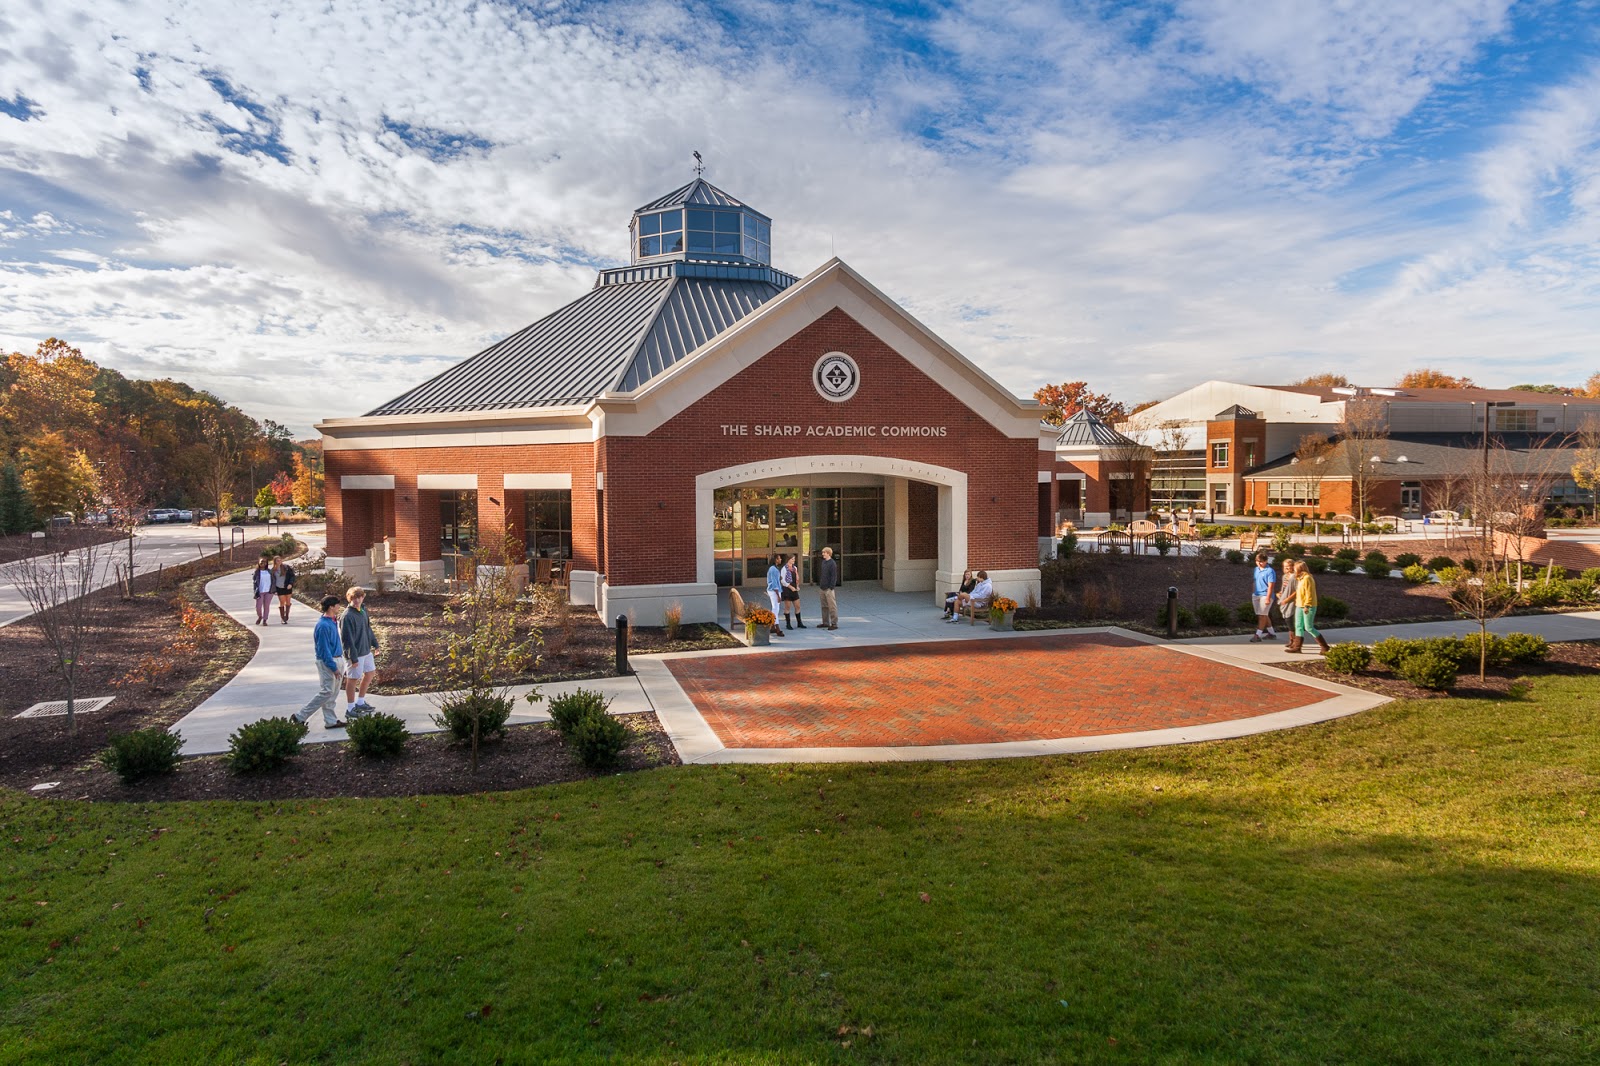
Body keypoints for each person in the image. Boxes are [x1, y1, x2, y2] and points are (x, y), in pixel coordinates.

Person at [291, 595, 346, 729]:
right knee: (327, 691)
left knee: (332, 693)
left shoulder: (333, 621)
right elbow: (324, 649)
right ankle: (300, 716)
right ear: (331, 607)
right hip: (328, 662)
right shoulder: (322, 625)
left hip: (338, 658)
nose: (339, 607)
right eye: (337, 605)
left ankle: (331, 720)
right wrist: (333, 667)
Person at [339, 585, 380, 717]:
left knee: (370, 673)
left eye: (359, 597)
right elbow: (347, 639)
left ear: (362, 597)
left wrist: (375, 644)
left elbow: (368, 629)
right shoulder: (347, 616)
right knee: (352, 679)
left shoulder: (362, 610)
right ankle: (350, 709)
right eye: (353, 598)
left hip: (366, 651)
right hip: (355, 654)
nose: (356, 600)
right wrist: (353, 658)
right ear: (349, 599)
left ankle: (360, 702)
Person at [1294, 559, 1330, 654]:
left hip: (1308, 606)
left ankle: (1324, 646)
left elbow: (1309, 593)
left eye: (1295, 569)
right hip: (1299, 605)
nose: (1294, 571)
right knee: (1298, 626)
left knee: (1309, 627)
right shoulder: (1300, 579)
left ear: (1300, 569)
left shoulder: (1307, 578)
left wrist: (1307, 605)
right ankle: (1297, 647)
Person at [1249, 551, 1277, 643]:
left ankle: (1257, 635)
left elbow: (1271, 586)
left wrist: (1268, 598)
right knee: (1263, 615)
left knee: (1262, 615)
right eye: (1257, 561)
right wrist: (1253, 592)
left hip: (1265, 595)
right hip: (1256, 595)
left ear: (1266, 561)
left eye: (1261, 561)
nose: (1259, 563)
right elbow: (1255, 581)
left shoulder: (1270, 571)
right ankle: (1271, 633)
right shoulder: (1256, 569)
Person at [1277, 557, 1300, 652]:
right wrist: (1280, 594)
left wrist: (1287, 599)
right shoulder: (1284, 577)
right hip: (1284, 600)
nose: (1287, 569)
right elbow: (1284, 588)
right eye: (1285, 567)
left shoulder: (1295, 577)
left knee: (1290, 619)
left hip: (1292, 601)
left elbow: (1297, 591)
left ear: (1292, 567)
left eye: (1288, 567)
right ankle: (1291, 640)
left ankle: (1295, 641)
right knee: (1287, 620)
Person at [816, 545, 839, 630]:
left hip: (829, 589)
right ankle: (825, 622)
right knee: (824, 606)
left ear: (829, 553)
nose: (823, 554)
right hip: (822, 587)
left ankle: (834, 623)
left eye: (824, 553)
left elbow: (834, 576)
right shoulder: (823, 562)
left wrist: (831, 587)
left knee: (832, 606)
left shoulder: (832, 563)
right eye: (823, 553)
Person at [763, 553, 785, 638]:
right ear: (775, 560)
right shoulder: (773, 569)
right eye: (779, 558)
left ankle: (772, 626)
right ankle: (777, 628)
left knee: (775, 608)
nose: (780, 560)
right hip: (774, 591)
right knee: (775, 608)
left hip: (776, 590)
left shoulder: (775, 568)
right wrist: (778, 596)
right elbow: (773, 583)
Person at [271, 556, 297, 624]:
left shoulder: (286, 567)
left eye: (280, 560)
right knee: (282, 602)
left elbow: (292, 576)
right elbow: (272, 580)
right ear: (275, 562)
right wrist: (273, 590)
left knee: (288, 602)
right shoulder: (273, 570)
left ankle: (287, 615)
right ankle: (282, 618)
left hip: (287, 587)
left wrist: (291, 584)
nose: (279, 561)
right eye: (277, 560)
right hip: (279, 587)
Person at [781, 553, 804, 629]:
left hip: (794, 588)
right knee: (787, 607)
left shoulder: (795, 568)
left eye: (794, 559)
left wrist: (797, 586)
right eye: (792, 559)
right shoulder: (784, 569)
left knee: (797, 606)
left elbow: (797, 578)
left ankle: (799, 623)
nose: (793, 560)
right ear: (788, 560)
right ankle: (788, 624)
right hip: (787, 589)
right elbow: (783, 581)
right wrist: (790, 587)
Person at [251, 557, 274, 625]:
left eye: (264, 562)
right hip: (260, 591)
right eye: (261, 562)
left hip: (269, 591)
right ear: (258, 562)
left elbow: (273, 580)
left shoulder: (269, 571)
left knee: (266, 606)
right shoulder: (257, 572)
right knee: (258, 606)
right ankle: (260, 616)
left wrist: (273, 589)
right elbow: (254, 583)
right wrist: (255, 591)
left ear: (266, 563)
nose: (263, 563)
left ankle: (265, 620)